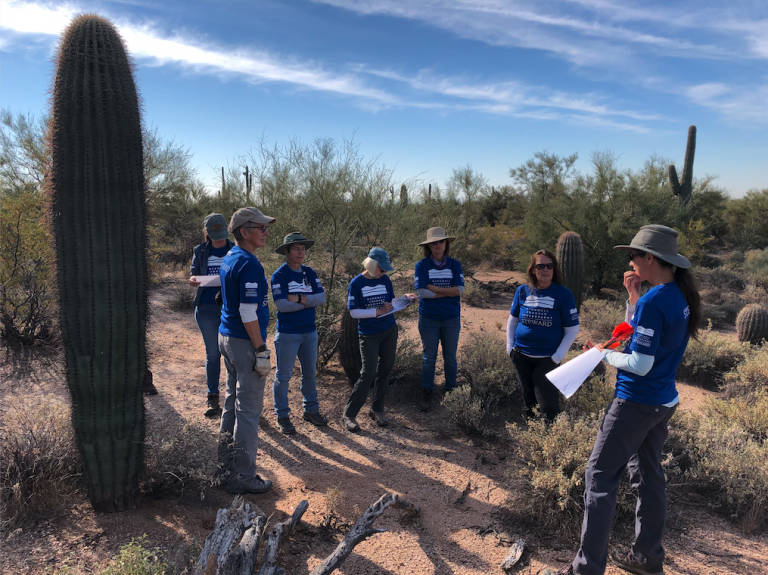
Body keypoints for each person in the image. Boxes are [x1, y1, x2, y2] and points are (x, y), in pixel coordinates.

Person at [542, 225, 701, 575]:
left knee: (599, 477)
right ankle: (647, 557)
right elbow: (645, 340)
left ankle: (586, 569)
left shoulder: (655, 301)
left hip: (635, 402)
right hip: (662, 401)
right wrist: (632, 299)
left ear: (650, 258)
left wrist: (603, 354)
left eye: (633, 255)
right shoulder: (676, 295)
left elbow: (640, 363)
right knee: (648, 477)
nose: (630, 261)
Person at [216, 207, 276, 495]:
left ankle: (224, 467)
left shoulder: (231, 256)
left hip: (227, 337)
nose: (266, 232)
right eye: (261, 228)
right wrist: (261, 349)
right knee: (249, 410)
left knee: (232, 403)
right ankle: (243, 476)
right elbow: (248, 311)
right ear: (244, 231)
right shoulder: (248, 263)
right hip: (244, 342)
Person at [342, 248, 415, 432]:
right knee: (367, 373)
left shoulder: (385, 280)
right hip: (369, 334)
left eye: (385, 269)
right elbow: (354, 312)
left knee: (385, 370)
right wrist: (378, 311)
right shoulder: (356, 283)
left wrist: (403, 300)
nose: (383, 272)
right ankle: (349, 414)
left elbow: (390, 303)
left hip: (389, 330)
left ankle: (377, 409)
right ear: (371, 264)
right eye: (381, 269)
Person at [507, 249, 580, 422]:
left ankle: (550, 433)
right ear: (533, 269)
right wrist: (510, 348)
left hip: (547, 359)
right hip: (521, 355)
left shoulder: (563, 294)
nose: (545, 269)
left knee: (548, 405)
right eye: (540, 266)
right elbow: (513, 320)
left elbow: (572, 329)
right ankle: (532, 430)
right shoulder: (522, 291)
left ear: (554, 269)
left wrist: (557, 356)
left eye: (549, 266)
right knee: (528, 399)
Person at [270, 231, 328, 435]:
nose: (301, 252)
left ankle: (311, 410)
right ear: (287, 251)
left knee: (309, 373)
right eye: (296, 249)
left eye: (303, 249)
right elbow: (282, 305)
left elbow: (321, 298)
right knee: (283, 376)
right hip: (288, 333)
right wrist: (308, 302)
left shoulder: (309, 273)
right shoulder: (279, 275)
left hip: (309, 332)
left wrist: (300, 299)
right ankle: (282, 415)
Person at [414, 227, 465, 412]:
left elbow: (459, 290)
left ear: (446, 244)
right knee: (429, 357)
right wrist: (447, 292)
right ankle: (427, 391)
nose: (438, 245)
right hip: (429, 318)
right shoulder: (422, 265)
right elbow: (421, 292)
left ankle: (451, 389)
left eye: (441, 241)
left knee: (450, 357)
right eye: (434, 242)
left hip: (451, 318)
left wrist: (434, 289)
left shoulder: (454, 265)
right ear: (428, 246)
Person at [189, 213, 234, 417]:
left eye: (222, 233)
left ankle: (235, 398)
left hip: (231, 307)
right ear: (207, 232)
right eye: (215, 234)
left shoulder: (236, 250)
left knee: (233, 353)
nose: (219, 239)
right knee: (213, 353)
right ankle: (213, 397)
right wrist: (194, 279)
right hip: (206, 307)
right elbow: (194, 274)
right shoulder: (200, 251)